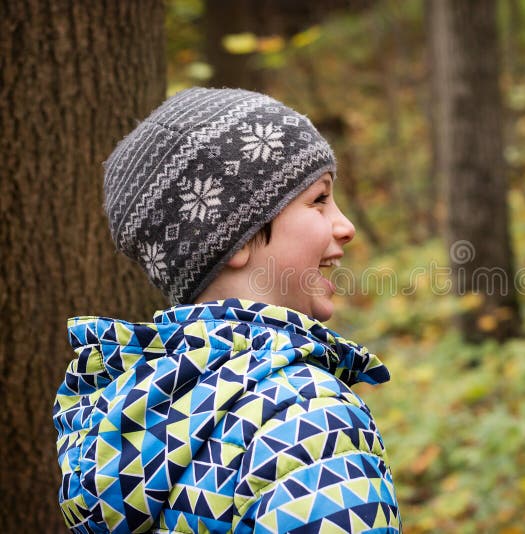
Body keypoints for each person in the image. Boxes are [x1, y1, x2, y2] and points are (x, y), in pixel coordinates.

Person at [52, 88, 400, 533]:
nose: (346, 226)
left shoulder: (144, 417)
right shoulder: (306, 419)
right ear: (234, 240)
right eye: (318, 199)